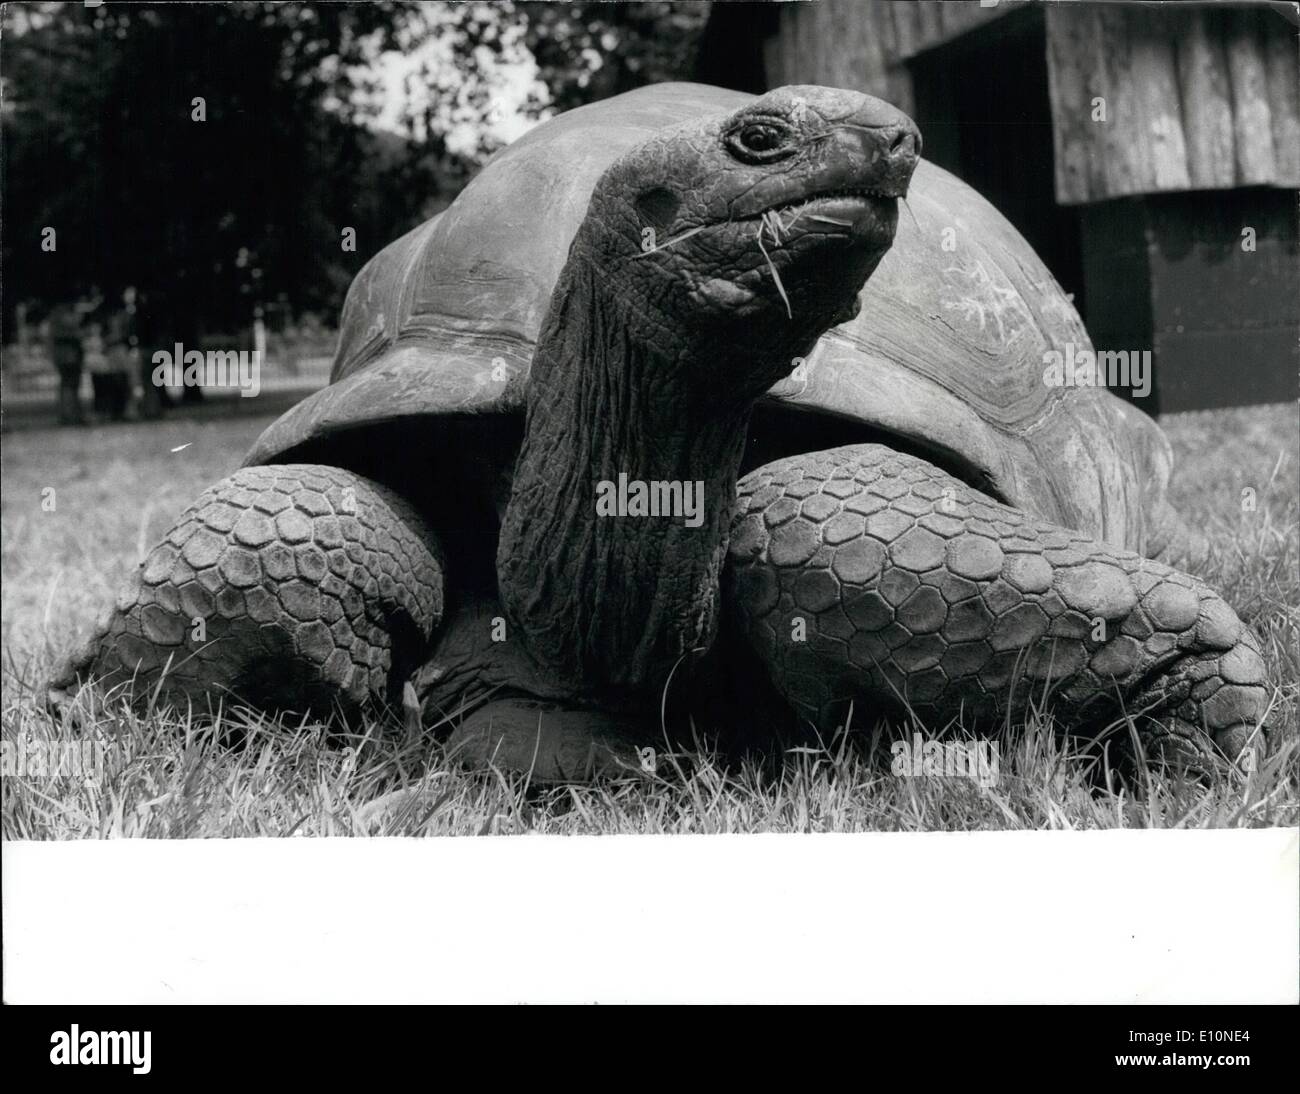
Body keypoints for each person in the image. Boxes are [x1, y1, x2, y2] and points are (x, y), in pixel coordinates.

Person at [46, 300, 85, 425]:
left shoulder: (56, 314)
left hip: (66, 356)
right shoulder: (62, 314)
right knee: (70, 385)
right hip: (69, 356)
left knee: (68, 385)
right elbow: (73, 332)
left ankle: (68, 415)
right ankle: (70, 415)